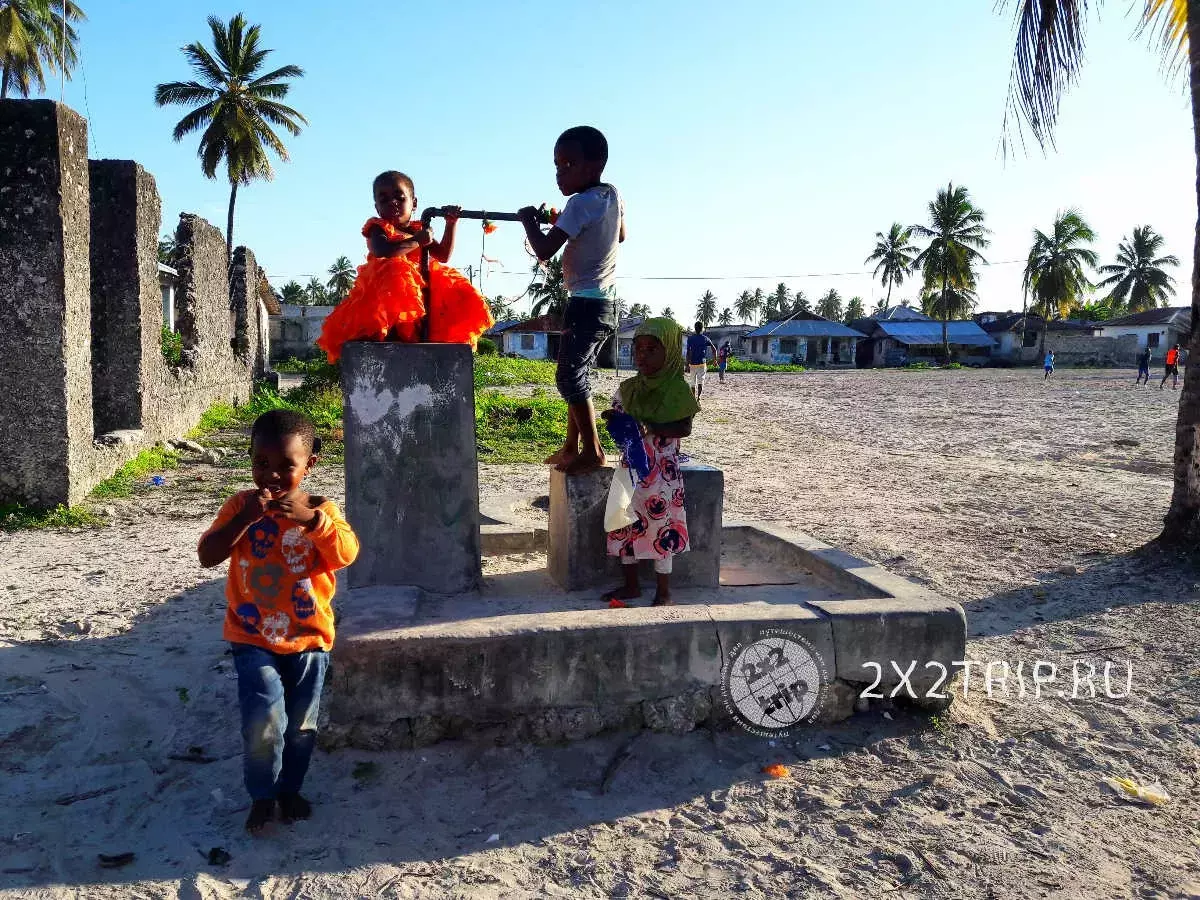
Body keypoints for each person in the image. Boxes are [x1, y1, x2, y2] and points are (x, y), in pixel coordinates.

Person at [198, 410, 360, 834]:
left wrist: (311, 520)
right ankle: (263, 796)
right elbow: (208, 555)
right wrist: (243, 519)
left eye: (285, 465)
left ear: (309, 465)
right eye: (261, 464)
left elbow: (346, 554)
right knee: (264, 719)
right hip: (251, 635)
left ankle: (290, 789)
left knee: (302, 725)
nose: (271, 475)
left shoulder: (322, 509)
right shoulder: (239, 506)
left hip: (308, 638)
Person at [519, 126, 624, 475]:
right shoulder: (612, 195)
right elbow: (621, 234)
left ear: (595, 165)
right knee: (578, 375)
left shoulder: (579, 203)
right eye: (557, 165)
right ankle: (570, 446)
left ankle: (592, 451)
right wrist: (567, 221)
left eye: (568, 165)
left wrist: (528, 221)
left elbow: (545, 249)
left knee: (569, 377)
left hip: (585, 303)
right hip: (606, 304)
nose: (560, 173)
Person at [316, 171, 493, 363]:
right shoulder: (379, 227)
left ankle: (430, 341)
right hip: (387, 289)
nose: (392, 203)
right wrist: (417, 241)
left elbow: (443, 255)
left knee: (459, 288)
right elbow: (383, 250)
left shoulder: (418, 229)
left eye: (399, 198)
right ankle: (391, 335)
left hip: (421, 288)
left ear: (414, 203)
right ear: (376, 207)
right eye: (384, 200)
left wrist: (451, 224)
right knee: (398, 271)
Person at [602, 319, 699, 607]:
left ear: (668, 352)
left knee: (661, 529)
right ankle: (631, 585)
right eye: (638, 349)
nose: (642, 356)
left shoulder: (678, 390)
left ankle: (664, 591)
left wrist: (650, 427)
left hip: (662, 473)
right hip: (629, 465)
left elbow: (684, 428)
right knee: (623, 524)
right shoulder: (629, 388)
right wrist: (615, 419)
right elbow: (620, 416)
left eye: (651, 349)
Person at [685, 322, 718, 402]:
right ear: (702, 328)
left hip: (692, 364)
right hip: (702, 364)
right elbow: (714, 349)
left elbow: (688, 352)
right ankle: (698, 398)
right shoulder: (705, 338)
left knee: (692, 383)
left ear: (695, 328)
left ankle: (693, 398)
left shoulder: (690, 339)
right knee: (700, 382)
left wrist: (687, 364)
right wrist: (715, 360)